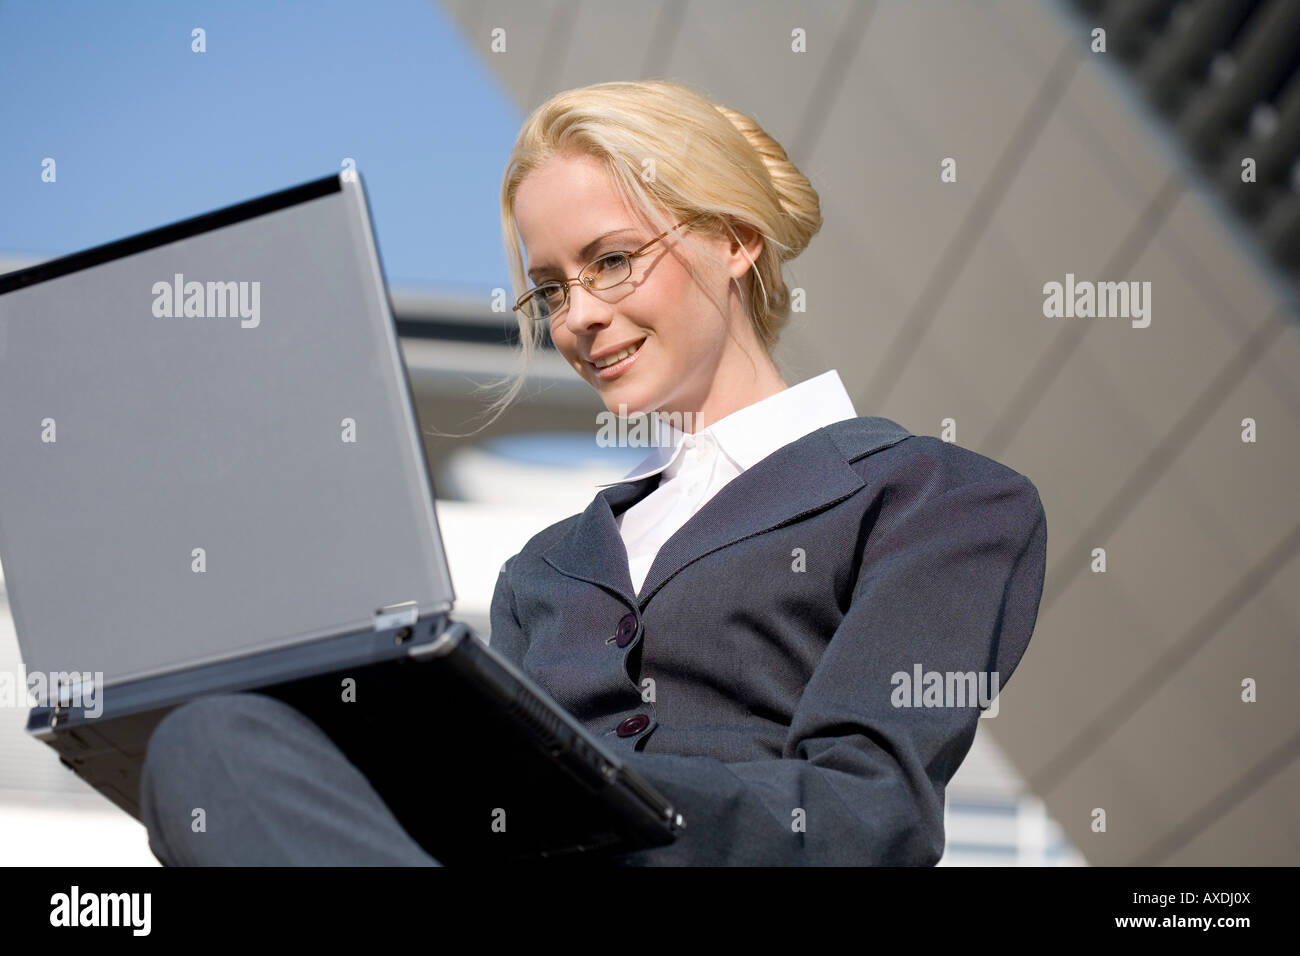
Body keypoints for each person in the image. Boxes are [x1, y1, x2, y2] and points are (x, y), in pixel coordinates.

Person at [140, 79, 1047, 866]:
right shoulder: (545, 569)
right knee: (211, 743)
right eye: (550, 288)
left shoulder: (937, 499)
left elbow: (863, 816)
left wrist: (575, 792)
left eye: (611, 261)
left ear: (736, 240)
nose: (576, 317)